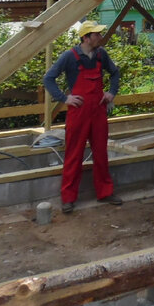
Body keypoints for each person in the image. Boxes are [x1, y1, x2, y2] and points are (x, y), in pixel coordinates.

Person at [43, 20, 123, 213]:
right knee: (73, 155)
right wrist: (64, 98)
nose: (100, 37)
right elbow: (48, 78)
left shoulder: (101, 55)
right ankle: (68, 198)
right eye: (96, 34)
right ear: (86, 37)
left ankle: (105, 192)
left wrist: (111, 92)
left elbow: (115, 73)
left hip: (98, 112)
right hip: (78, 113)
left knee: (101, 153)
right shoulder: (69, 57)